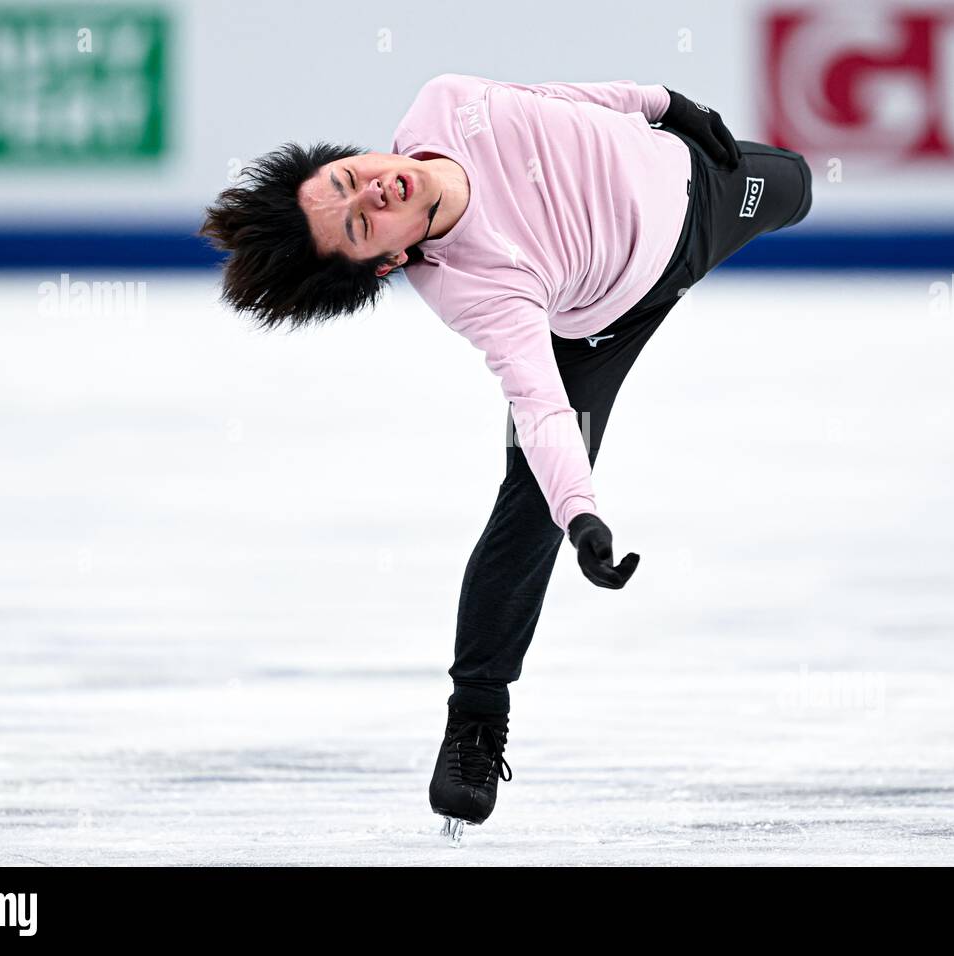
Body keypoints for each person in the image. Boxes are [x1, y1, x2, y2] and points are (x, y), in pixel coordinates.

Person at [199, 73, 813, 844]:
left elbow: (566, 99)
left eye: (351, 179)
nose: (375, 194)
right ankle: (477, 719)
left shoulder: (443, 100)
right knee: (532, 499)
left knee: (800, 184)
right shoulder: (473, 284)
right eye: (360, 226)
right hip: (604, 324)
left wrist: (663, 102)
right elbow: (544, 407)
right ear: (386, 264)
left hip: (704, 187)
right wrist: (581, 512)